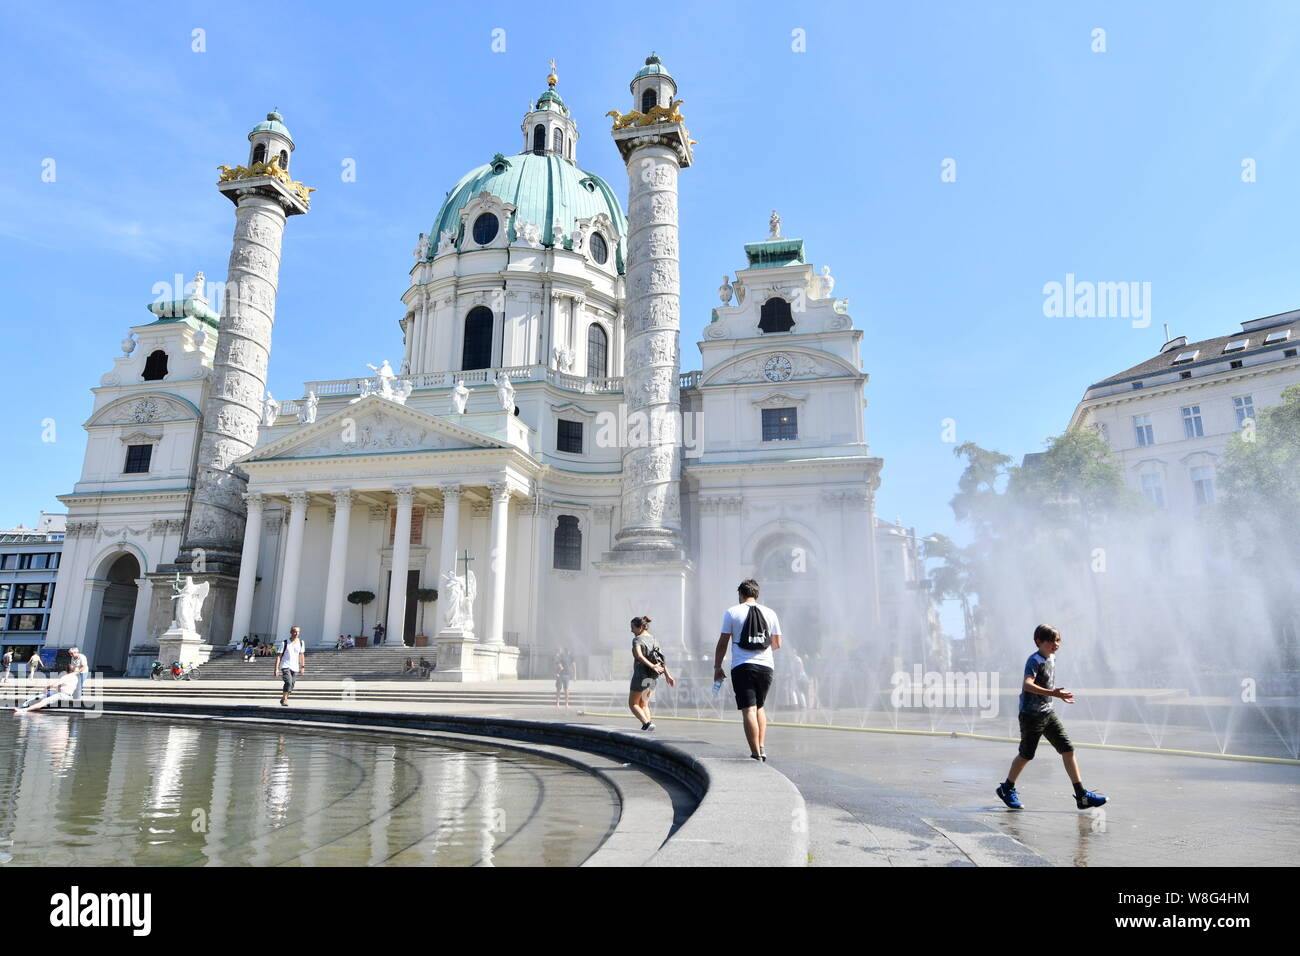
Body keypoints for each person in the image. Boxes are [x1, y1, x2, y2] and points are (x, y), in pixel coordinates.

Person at [996, 624, 1108, 811]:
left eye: (1058, 640)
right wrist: (1053, 693)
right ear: (1039, 641)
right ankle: (1006, 789)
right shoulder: (1034, 660)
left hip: (1047, 712)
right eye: (1051, 641)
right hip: (1031, 715)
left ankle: (1081, 796)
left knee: (1067, 749)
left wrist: (1056, 696)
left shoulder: (1052, 658)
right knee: (1026, 755)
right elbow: (1027, 685)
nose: (1056, 644)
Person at [715, 579, 782, 761]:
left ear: (741, 594)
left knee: (749, 709)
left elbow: (723, 642)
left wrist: (717, 666)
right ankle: (761, 746)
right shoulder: (770, 613)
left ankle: (755, 754)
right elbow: (777, 643)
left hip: (743, 666)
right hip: (767, 667)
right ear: (757, 594)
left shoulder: (732, 612)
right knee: (760, 707)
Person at [628, 616, 673, 730]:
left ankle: (646, 724)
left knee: (633, 704)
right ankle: (649, 724)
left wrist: (652, 666)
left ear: (640, 627)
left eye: (632, 627)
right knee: (644, 704)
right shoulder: (654, 639)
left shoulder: (637, 639)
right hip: (653, 677)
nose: (631, 630)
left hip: (641, 676)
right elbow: (661, 659)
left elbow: (639, 655)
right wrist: (668, 675)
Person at [14, 662, 79, 714]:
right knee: (44, 695)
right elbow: (62, 686)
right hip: (66, 694)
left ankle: (25, 709)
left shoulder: (66, 676)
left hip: (62, 695)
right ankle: (29, 705)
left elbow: (55, 685)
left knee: (44, 700)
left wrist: (47, 687)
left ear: (66, 670)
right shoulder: (75, 677)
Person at [275, 626, 306, 707]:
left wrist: (302, 667)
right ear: (291, 632)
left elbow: (302, 655)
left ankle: (283, 698)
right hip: (285, 665)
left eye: (298, 632)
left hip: (295, 667)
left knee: (292, 684)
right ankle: (285, 699)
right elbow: (279, 656)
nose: (297, 633)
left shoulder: (301, 642)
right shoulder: (284, 643)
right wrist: (276, 668)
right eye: (295, 632)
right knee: (288, 682)